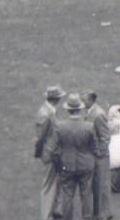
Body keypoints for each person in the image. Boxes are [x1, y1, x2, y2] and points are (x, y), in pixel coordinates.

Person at [44, 94, 97, 220]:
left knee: (67, 196)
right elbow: (95, 147)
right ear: (80, 109)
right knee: (86, 195)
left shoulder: (60, 126)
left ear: (68, 109)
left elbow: (51, 148)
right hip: (86, 165)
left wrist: (58, 160)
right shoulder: (89, 126)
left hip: (66, 165)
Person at [35, 86, 64, 220]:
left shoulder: (49, 111)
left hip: (54, 152)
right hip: (50, 153)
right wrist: (41, 153)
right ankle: (46, 216)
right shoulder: (46, 114)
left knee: (56, 181)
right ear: (56, 99)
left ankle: (55, 210)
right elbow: (41, 138)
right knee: (48, 184)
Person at [83, 91, 112, 220]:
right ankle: (98, 213)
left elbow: (105, 137)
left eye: (84, 99)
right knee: (96, 184)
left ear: (91, 100)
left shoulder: (98, 114)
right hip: (93, 154)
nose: (82, 102)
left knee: (102, 184)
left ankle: (105, 214)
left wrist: (100, 153)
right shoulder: (88, 111)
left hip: (100, 156)